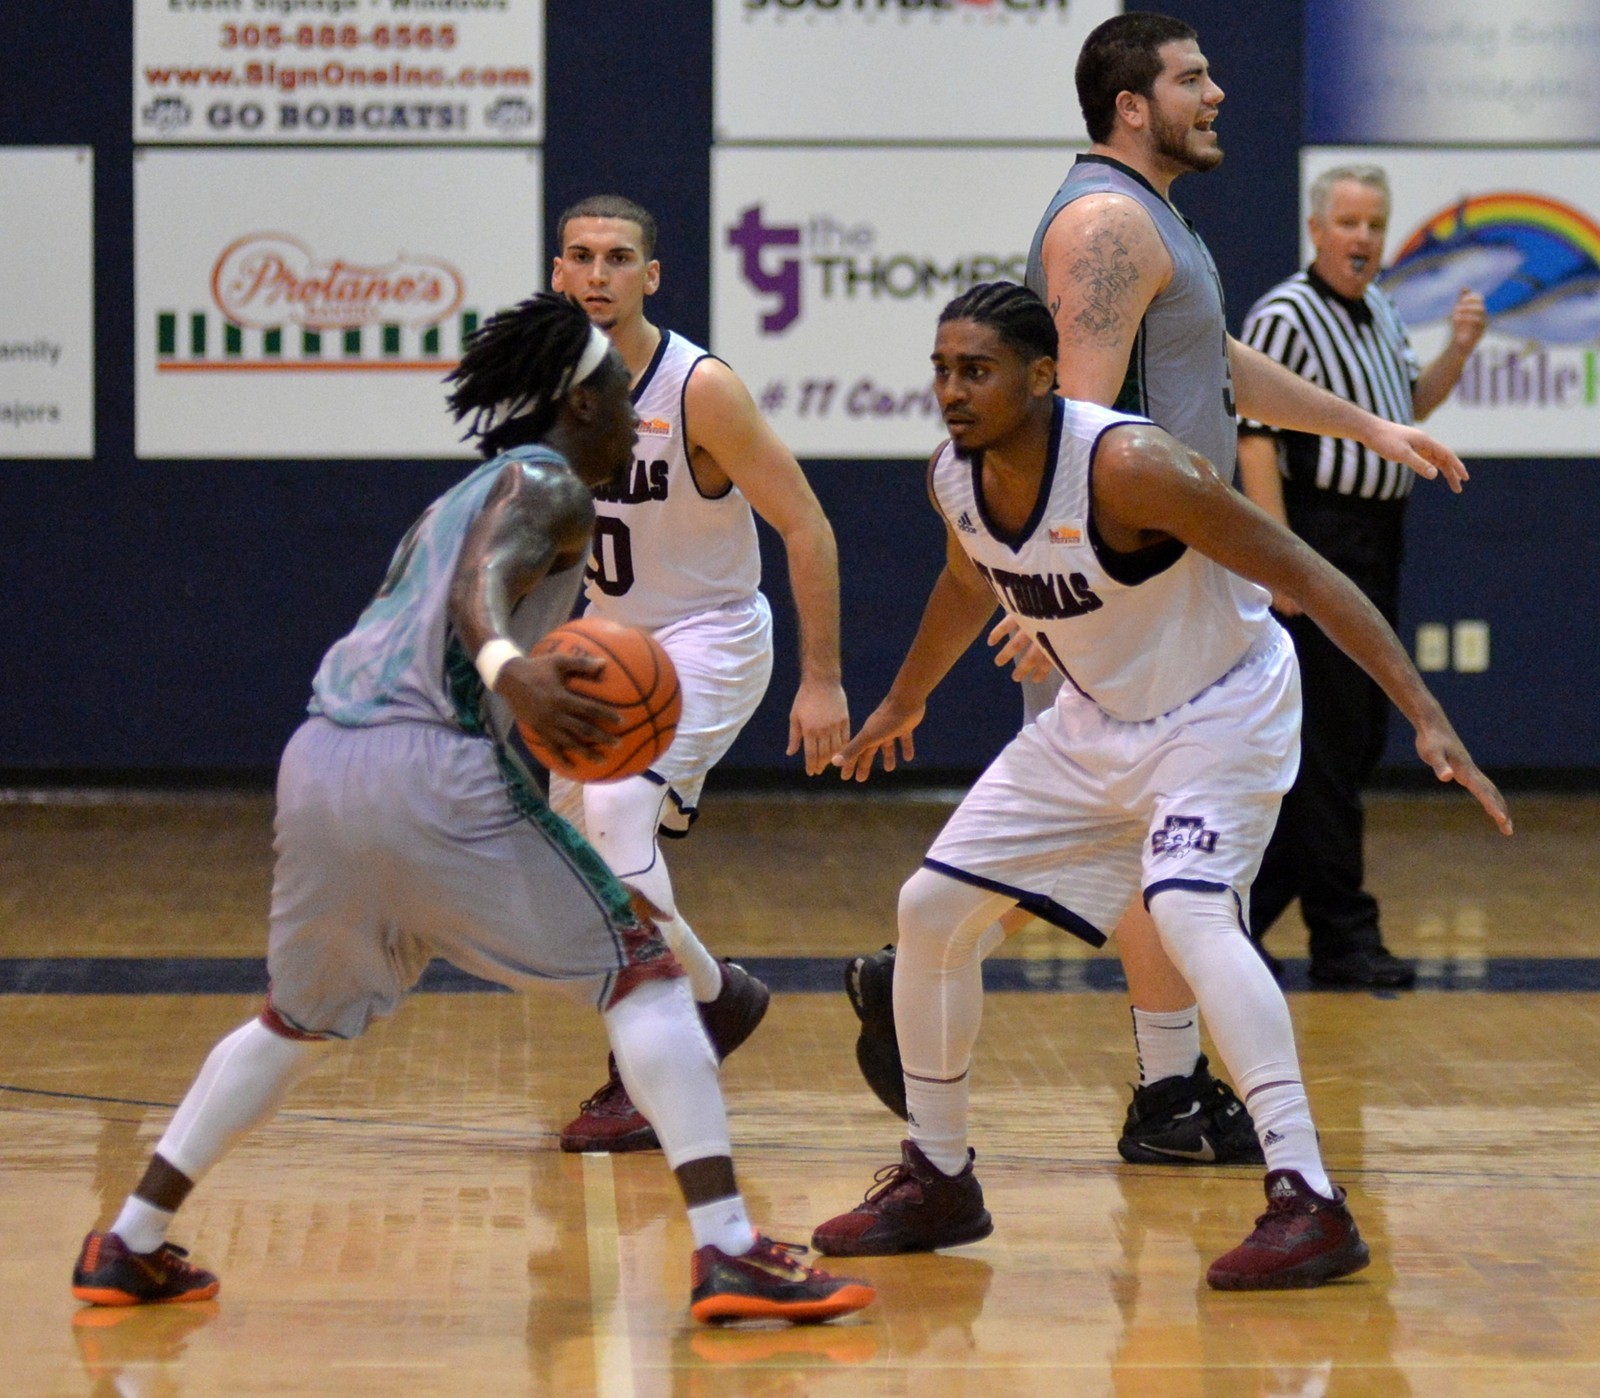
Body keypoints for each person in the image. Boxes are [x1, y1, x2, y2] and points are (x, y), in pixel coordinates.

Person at [68, 292, 874, 1326]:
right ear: (581, 403)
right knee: (648, 971)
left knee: (292, 1018)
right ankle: (728, 1252)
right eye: (623, 397)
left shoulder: (460, 494)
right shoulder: (547, 486)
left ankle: (128, 1240)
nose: (637, 417)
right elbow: (484, 589)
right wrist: (510, 667)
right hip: (430, 765)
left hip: (320, 761)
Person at [844, 11, 1476, 1163]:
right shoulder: (1103, 225)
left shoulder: (1153, 224)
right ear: (1130, 105)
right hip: (1121, 592)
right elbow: (1070, 420)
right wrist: (1056, 584)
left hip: (1151, 584)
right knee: (1164, 871)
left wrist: (1368, 425)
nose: (1217, 92)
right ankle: (1141, 1083)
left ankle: (1153, 1086)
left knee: (1162, 869)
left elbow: (1213, 365)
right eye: (1192, 78)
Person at [810, 282, 1510, 1290]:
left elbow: (1306, 574)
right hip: (1095, 718)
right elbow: (970, 579)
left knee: (1187, 913)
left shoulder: (1130, 466)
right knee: (928, 910)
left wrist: (1426, 716)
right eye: (942, 370)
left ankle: (1309, 1198)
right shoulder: (952, 478)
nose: (953, 391)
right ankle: (940, 1174)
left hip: (1220, 710)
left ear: (1042, 376)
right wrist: (904, 698)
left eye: (977, 370)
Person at [546, 195, 850, 1153]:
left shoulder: (698, 388)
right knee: (577, 866)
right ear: (557, 273)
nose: (598, 275)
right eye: (580, 257)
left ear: (652, 276)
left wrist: (824, 681)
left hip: (710, 634)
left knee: (617, 816)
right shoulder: (547, 386)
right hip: (607, 639)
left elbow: (807, 524)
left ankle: (647, 1066)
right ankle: (714, 998)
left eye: (619, 258)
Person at [1238, 165, 1488, 988]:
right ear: (1318, 230)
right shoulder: (1284, 315)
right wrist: (1280, 561)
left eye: (1375, 224)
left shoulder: (1380, 310)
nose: (1363, 238)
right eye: (1347, 223)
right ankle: (1345, 936)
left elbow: (1408, 406)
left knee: (1351, 741)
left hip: (1378, 536)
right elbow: (1256, 439)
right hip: (1317, 537)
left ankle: (1230, 919)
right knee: (1331, 744)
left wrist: (1458, 351)